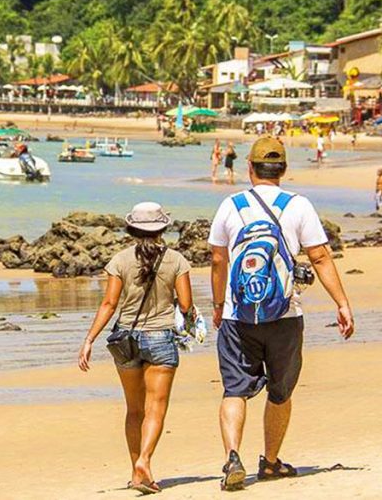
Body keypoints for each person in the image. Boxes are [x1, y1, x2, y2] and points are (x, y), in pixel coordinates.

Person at [208, 137, 354, 490]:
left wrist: (217, 306)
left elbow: (217, 259)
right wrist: (342, 303)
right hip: (285, 315)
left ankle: (232, 457)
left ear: (249, 168)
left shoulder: (232, 204)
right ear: (284, 169)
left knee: (234, 390)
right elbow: (320, 257)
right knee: (280, 391)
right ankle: (271, 462)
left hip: (237, 315)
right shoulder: (298, 206)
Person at [79, 202, 194, 494]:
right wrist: (192, 321)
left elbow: (109, 304)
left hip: (125, 338)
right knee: (155, 408)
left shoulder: (119, 260)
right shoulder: (177, 260)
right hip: (160, 338)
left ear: (131, 228)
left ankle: (136, 474)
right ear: (163, 228)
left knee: (134, 409)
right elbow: (186, 304)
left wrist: (89, 339)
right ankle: (144, 461)